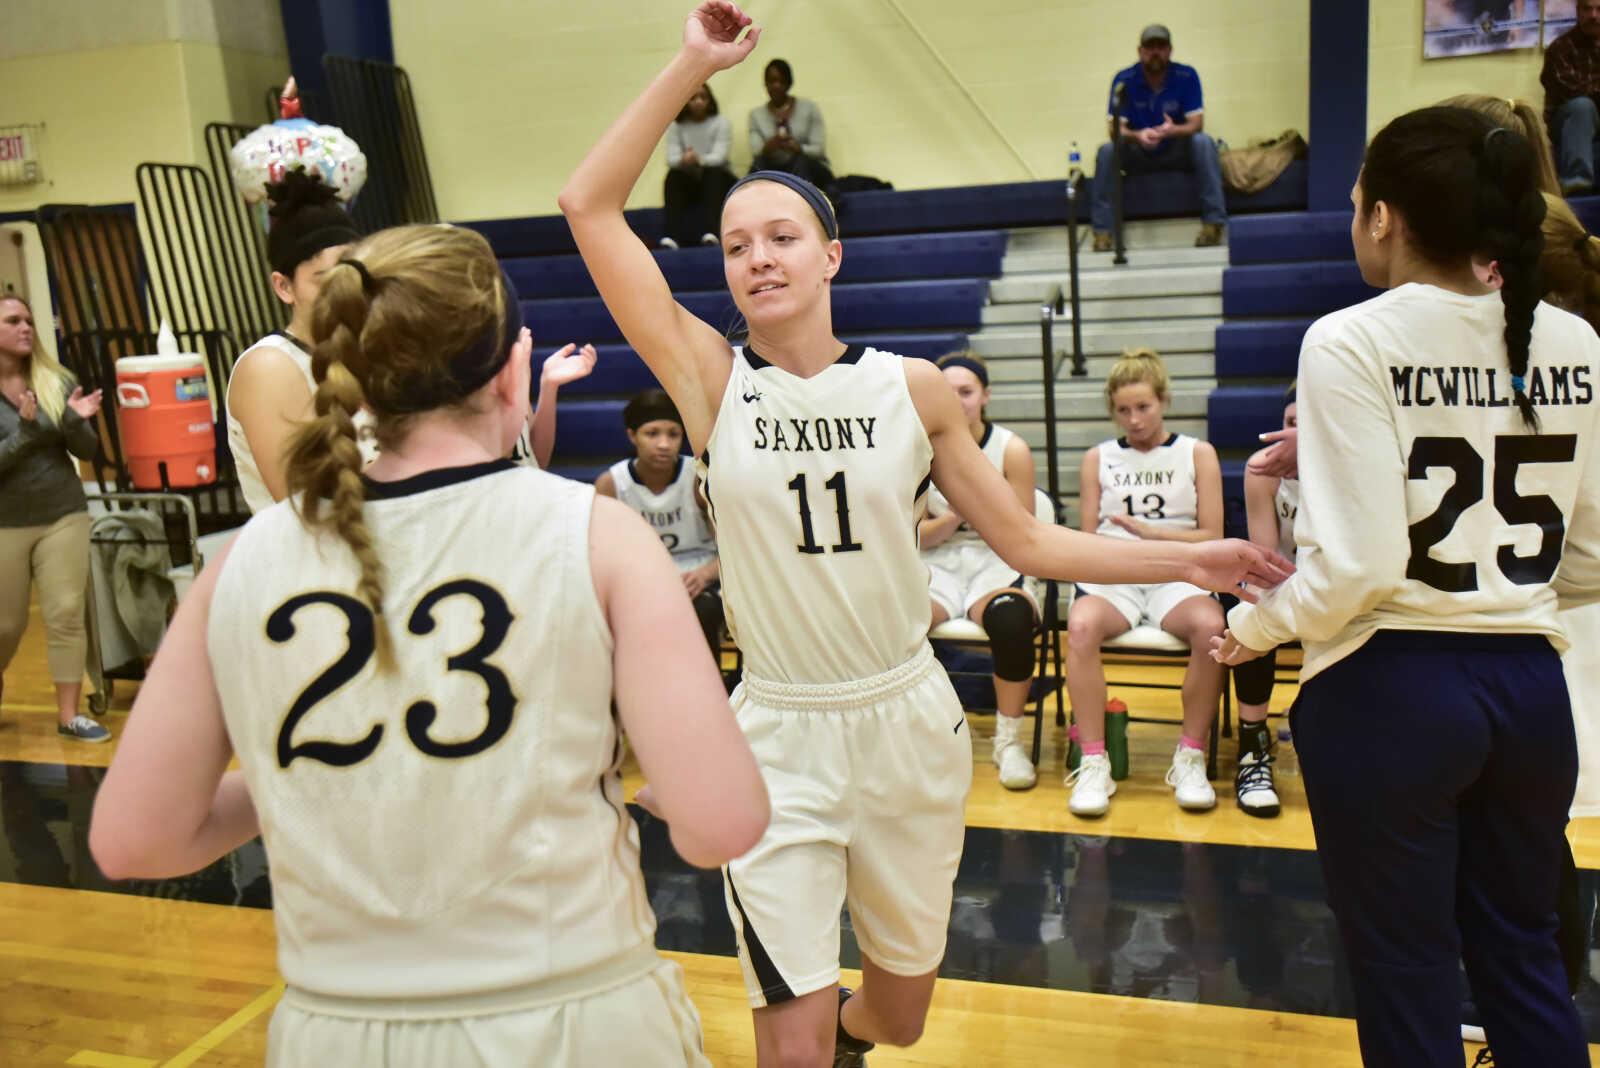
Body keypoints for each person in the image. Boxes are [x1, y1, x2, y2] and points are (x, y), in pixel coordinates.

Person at [558, 6, 1289, 1064]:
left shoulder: (911, 389)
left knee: (895, 1020)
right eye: (734, 247)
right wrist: (692, 64)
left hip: (905, 726)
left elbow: (1033, 548)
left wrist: (1192, 556)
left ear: (831, 256)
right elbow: (587, 206)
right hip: (775, 737)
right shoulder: (710, 383)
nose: (756, 260)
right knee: (791, 1047)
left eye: (781, 238)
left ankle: (860, 1035)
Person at [87, 223, 769, 1066]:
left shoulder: (244, 559)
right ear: (514, 371)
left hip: (336, 1032)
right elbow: (721, 825)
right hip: (573, 1019)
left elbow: (134, 840)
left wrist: (327, 781)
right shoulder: (594, 532)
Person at [1213, 107, 1599, 1068]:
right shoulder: (1575, 343)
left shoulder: (1350, 339)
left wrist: (1256, 627)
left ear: (1384, 217)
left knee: (1406, 976)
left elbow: (1363, 567)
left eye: (1353, 204)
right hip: (1532, 694)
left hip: (1394, 689)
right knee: (1526, 965)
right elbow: (1589, 555)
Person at [228, 171, 594, 513]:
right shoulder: (270, 366)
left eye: (350, 277)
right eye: (324, 281)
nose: (340, 293)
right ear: (283, 286)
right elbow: (306, 510)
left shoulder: (375, 344)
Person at [1064, 348, 1227, 818]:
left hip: (1177, 568)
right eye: (1122, 410)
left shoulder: (1198, 452)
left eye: (1143, 407)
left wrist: (1153, 535)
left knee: (1211, 626)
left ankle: (1190, 756)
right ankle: (1095, 761)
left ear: (1164, 401)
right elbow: (1090, 536)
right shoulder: (1098, 458)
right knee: (1079, 627)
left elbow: (1213, 535)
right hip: (1116, 573)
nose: (1133, 419)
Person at [920, 351, 1042, 792]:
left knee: (1011, 620)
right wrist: (953, 518)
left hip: (997, 557)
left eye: (966, 392)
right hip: (939, 562)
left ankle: (1008, 742)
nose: (957, 400)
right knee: (895, 621)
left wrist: (971, 511)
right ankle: (922, 738)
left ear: (985, 396)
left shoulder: (1011, 449)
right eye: (948, 392)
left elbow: (1023, 533)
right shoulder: (917, 447)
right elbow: (913, 535)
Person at [0, 296, 109, 742]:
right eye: (13, 320)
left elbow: (86, 451)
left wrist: (74, 423)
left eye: (28, 319)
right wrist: (27, 432)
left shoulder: (56, 380)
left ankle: (69, 715)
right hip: (6, 521)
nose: (26, 326)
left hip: (63, 512)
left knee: (65, 613)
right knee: (6, 624)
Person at [596, 389, 724, 659]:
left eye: (673, 434)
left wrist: (705, 574)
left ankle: (711, 693)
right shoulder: (611, 484)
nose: (664, 444)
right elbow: (599, 555)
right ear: (633, 436)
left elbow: (732, 550)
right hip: (640, 578)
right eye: (652, 433)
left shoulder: (697, 477)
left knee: (703, 611)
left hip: (700, 578)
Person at [1091, 23, 1226, 252]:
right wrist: (1138, 135)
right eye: (1149, 47)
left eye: (1160, 46)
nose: (1155, 51)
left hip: (1174, 148)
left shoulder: (1187, 75)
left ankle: (1213, 224)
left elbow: (1196, 124)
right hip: (1139, 152)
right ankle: (1103, 232)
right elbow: (1115, 129)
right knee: (1106, 151)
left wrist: (1173, 130)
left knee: (1203, 142)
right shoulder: (1124, 80)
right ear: (1140, 51)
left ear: (1169, 50)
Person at [1230, 384, 1299, 819]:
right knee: (1246, 616)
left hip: (1346, 587)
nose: (1295, 436)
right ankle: (1253, 748)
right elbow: (1266, 558)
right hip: (1288, 582)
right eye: (1291, 424)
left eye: (1307, 426)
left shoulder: (1352, 465)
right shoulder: (1263, 468)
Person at [662, 83, 737, 249]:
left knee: (713, 173)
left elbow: (719, 157)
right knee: (673, 176)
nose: (698, 102)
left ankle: (712, 233)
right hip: (692, 182)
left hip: (719, 181)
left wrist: (698, 159)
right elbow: (671, 159)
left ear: (710, 101)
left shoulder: (721, 123)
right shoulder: (677, 126)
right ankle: (671, 237)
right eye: (693, 98)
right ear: (685, 102)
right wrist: (684, 159)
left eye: (703, 97)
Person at [1541, 0, 1600, 195]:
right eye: (1587, 9)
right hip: (1567, 120)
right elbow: (1573, 91)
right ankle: (1576, 181)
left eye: (1599, 9)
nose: (1593, 15)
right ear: (1577, 12)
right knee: (1583, 106)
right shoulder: (1561, 48)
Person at [748, 58, 833, 187]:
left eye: (781, 81)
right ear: (765, 84)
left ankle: (801, 204)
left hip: (811, 169)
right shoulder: (756, 115)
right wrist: (769, 146)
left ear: (789, 83)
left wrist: (798, 148)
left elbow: (818, 150)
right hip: (775, 169)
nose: (776, 86)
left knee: (801, 162)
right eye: (771, 81)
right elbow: (756, 151)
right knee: (758, 166)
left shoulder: (809, 108)